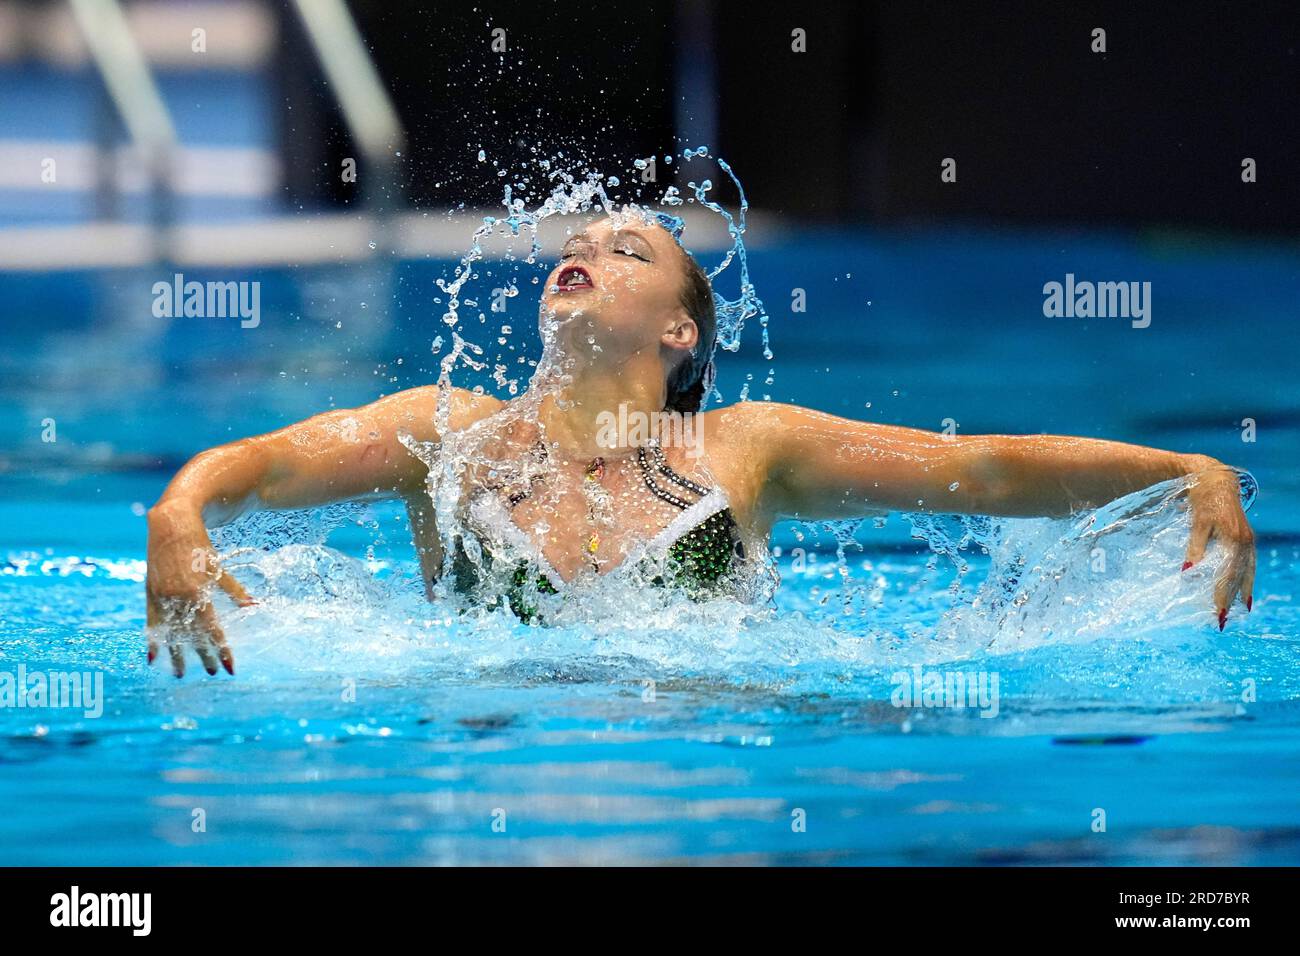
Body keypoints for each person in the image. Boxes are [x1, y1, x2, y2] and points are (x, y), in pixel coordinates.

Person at [146, 214, 1256, 676]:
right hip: (482, 766)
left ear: (679, 329)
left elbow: (982, 469)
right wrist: (176, 517)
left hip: (706, 776)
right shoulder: (446, 429)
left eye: (626, 249)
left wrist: (1186, 468)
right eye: (574, 244)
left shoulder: (749, 447)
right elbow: (267, 465)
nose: (582, 251)